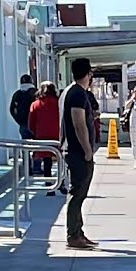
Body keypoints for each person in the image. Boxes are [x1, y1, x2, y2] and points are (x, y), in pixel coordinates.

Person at [62, 58, 98, 249]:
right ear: (88, 74)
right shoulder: (77, 94)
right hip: (78, 153)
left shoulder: (77, 93)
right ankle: (73, 235)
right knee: (77, 194)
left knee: (81, 194)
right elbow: (78, 123)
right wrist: (87, 150)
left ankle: (78, 232)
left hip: (78, 151)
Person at [27, 81, 62, 195]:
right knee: (61, 159)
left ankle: (49, 186)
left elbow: (31, 124)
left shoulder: (35, 104)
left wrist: (35, 133)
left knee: (47, 162)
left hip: (42, 136)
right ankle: (61, 183)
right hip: (58, 135)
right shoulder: (59, 103)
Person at [9, 74, 38, 174]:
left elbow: (11, 109)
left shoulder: (17, 94)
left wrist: (18, 120)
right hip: (35, 124)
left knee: (25, 146)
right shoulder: (35, 92)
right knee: (38, 145)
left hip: (23, 124)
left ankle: (27, 167)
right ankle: (37, 167)